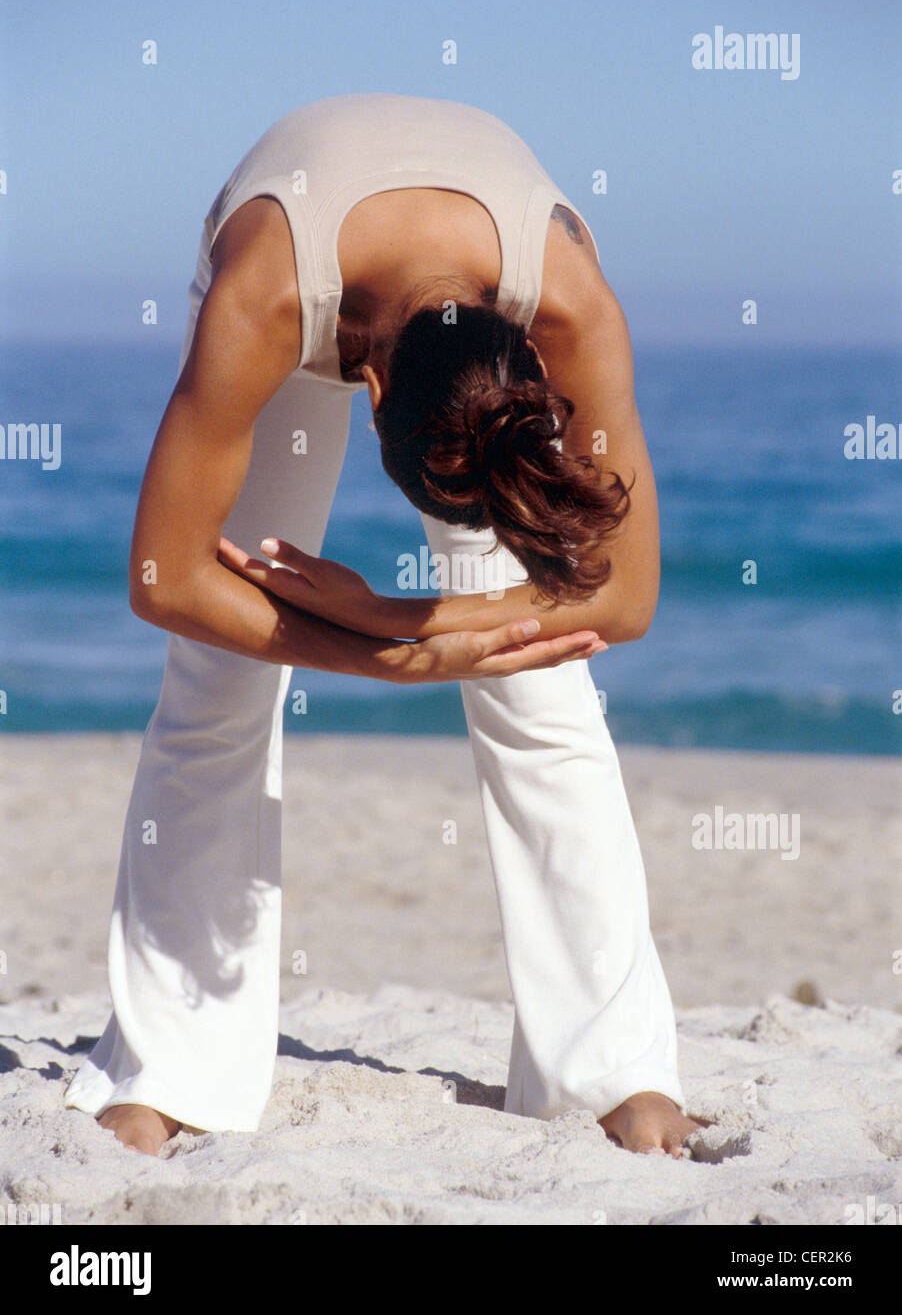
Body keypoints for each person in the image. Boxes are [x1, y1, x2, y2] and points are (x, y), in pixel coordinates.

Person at [64, 92, 701, 1159]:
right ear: (364, 389)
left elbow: (622, 600)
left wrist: (391, 620)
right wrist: (394, 657)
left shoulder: (570, 308)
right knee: (216, 683)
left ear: (535, 381)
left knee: (541, 690)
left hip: (460, 310)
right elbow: (162, 574)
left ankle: (616, 1069)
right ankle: (167, 1068)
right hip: (308, 256)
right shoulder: (262, 296)